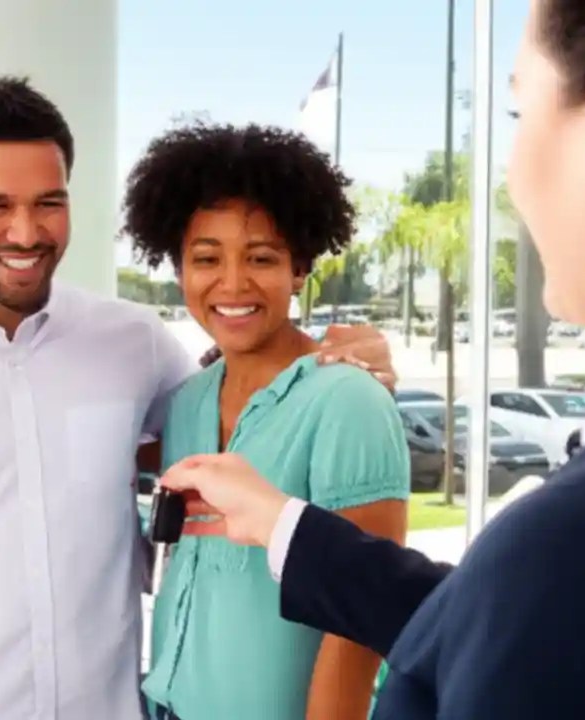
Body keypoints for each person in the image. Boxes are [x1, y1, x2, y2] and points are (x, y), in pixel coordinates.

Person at [157, 1, 585, 718]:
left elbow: (541, 618)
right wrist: (286, 526)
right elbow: (502, 618)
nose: (510, 172)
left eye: (519, 113)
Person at [0, 75, 397, 720]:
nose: (25, 232)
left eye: (48, 202)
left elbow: (247, 410)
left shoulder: (133, 342)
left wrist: (343, 364)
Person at [120, 123, 411, 720]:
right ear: (179, 270)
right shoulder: (187, 401)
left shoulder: (347, 401)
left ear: (299, 268)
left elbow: (360, 621)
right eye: (206, 259)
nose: (232, 283)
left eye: (261, 258)